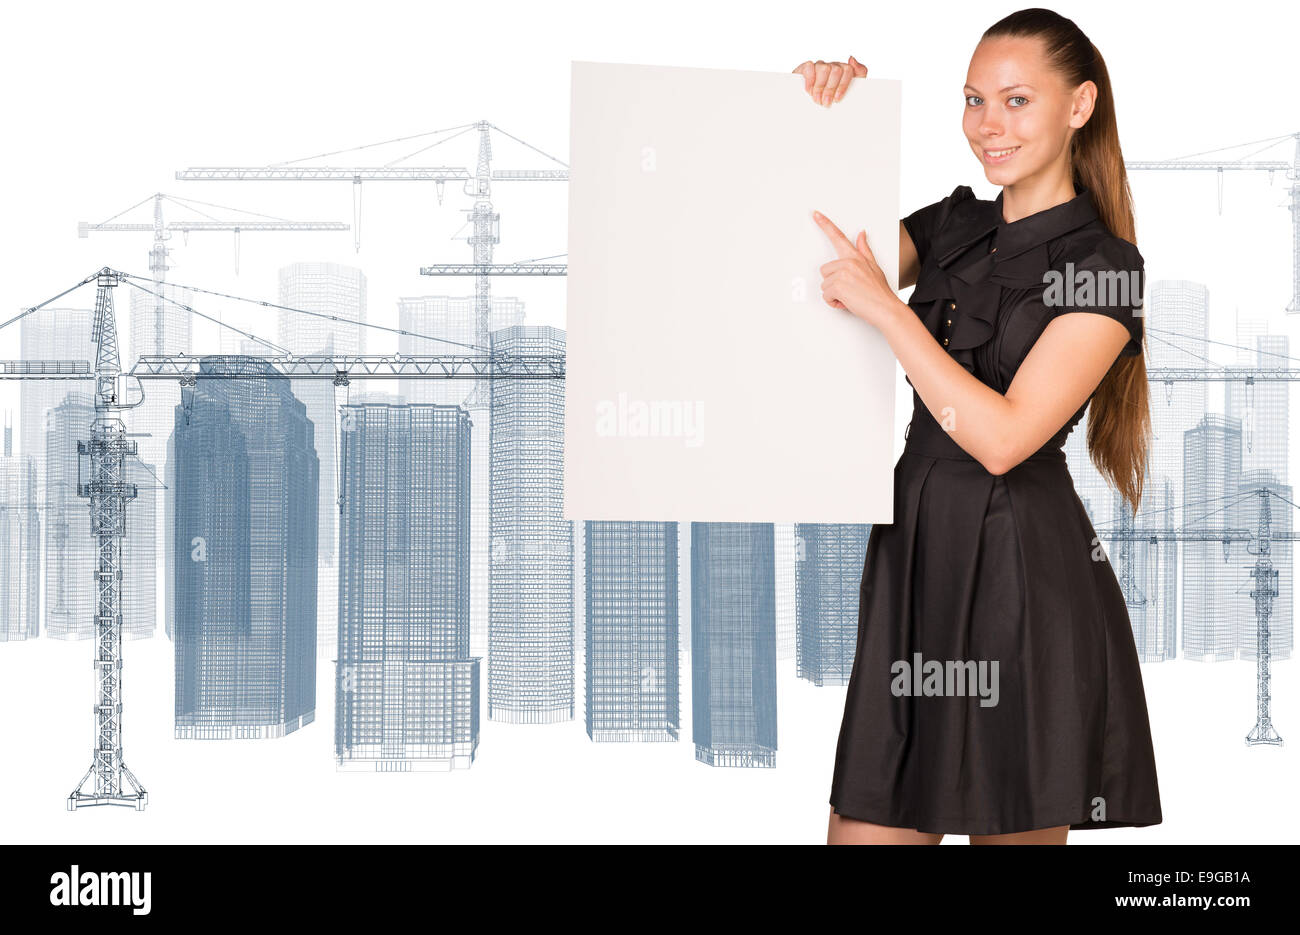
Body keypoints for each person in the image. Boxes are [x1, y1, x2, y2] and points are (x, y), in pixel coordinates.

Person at [793, 7, 1163, 845]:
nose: (987, 126)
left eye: (1016, 100)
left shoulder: (1108, 272)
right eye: (972, 100)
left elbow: (1003, 437)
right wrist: (820, 124)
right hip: (915, 559)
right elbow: (806, 265)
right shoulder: (952, 224)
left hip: (1021, 578)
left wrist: (892, 315)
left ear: (1080, 106)